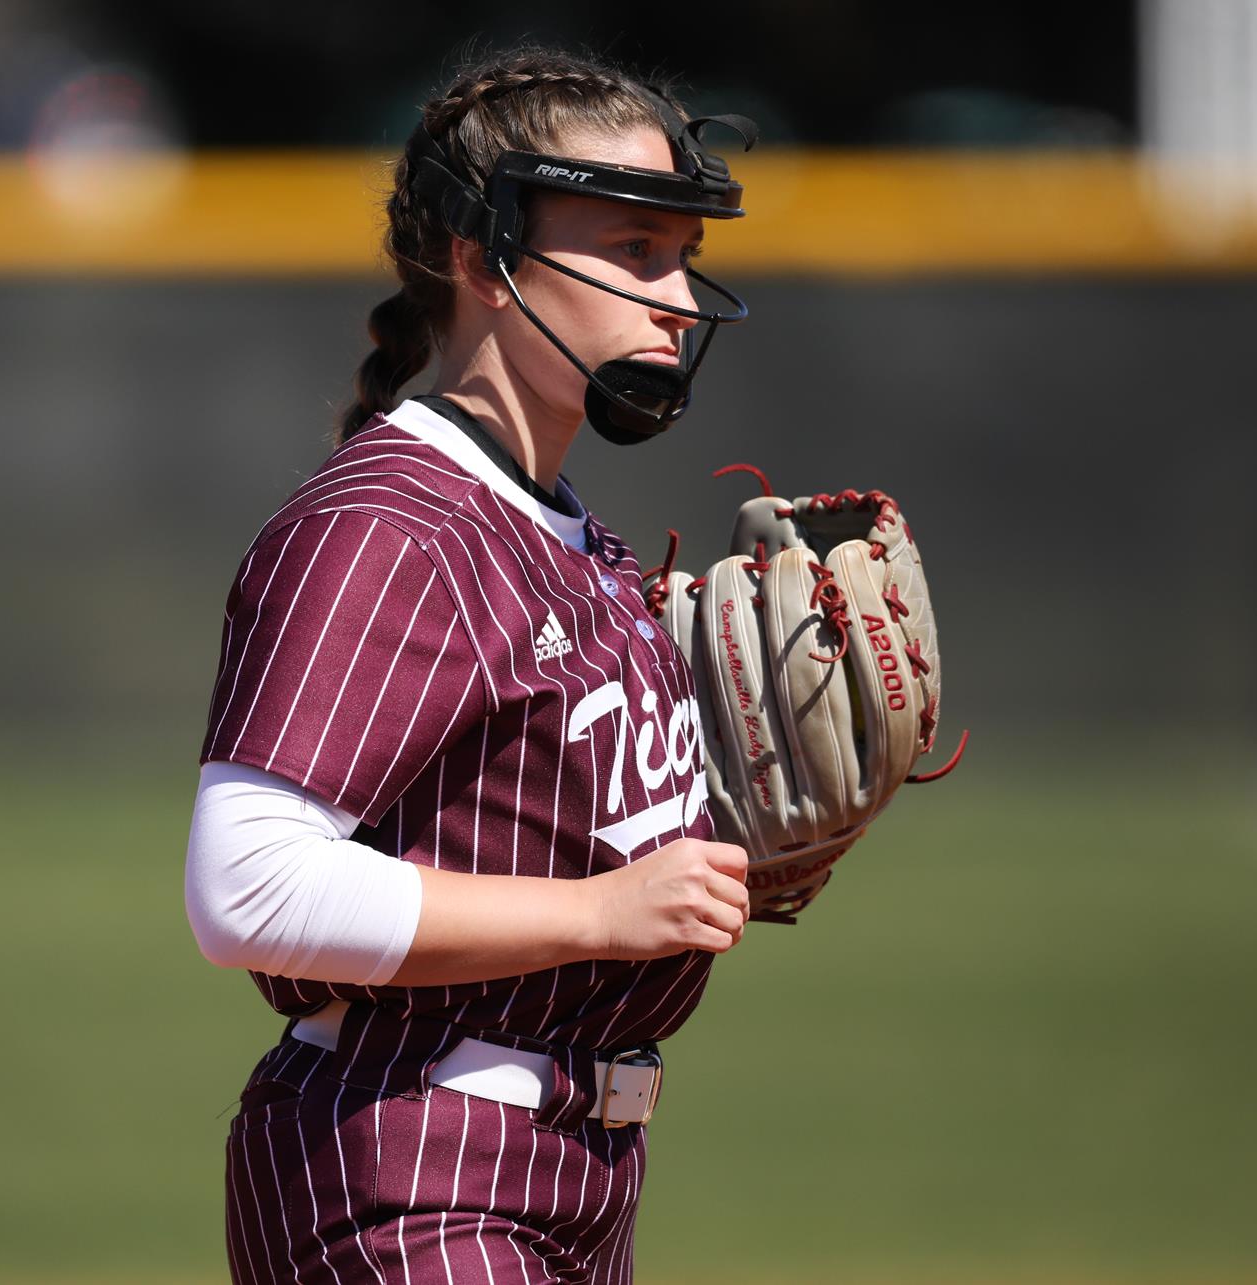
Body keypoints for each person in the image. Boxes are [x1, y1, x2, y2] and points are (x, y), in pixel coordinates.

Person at [184, 46, 758, 1284]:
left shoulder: (569, 536)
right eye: (632, 250)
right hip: (408, 1166)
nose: (674, 297)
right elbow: (244, 888)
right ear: (481, 257)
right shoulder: (389, 525)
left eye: (682, 255)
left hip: (569, 1168)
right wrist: (603, 913)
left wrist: (744, 861)